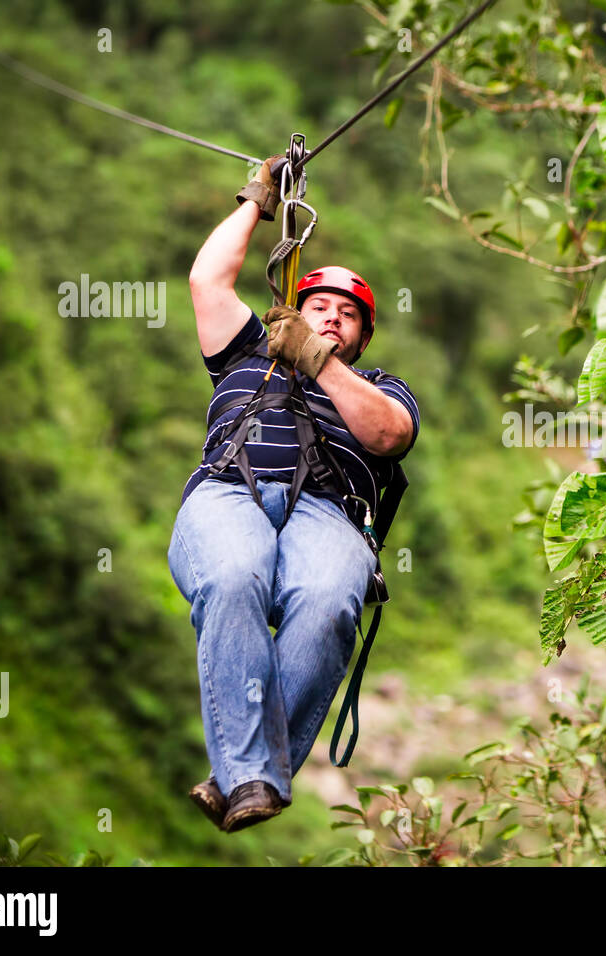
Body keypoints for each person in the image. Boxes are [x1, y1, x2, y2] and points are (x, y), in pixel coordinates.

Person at [168, 155, 419, 832]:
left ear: (362, 336)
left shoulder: (381, 388)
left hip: (329, 513)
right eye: (318, 310)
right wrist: (257, 198)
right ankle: (250, 776)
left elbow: (390, 435)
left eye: (346, 316)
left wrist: (319, 359)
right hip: (229, 490)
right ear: (292, 313)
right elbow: (206, 280)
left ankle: (240, 778)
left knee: (331, 602)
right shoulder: (247, 352)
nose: (331, 319)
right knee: (231, 575)